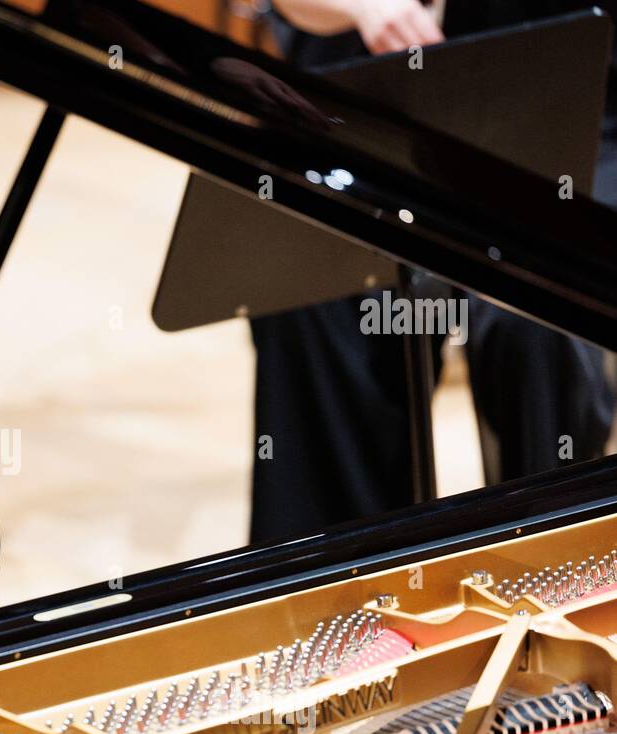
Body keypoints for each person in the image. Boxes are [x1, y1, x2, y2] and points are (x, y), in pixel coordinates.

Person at [248, 0, 617, 543]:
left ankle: (546, 565)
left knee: (536, 318)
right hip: (368, 112)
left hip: (568, 109)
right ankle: (344, 578)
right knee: (316, 301)